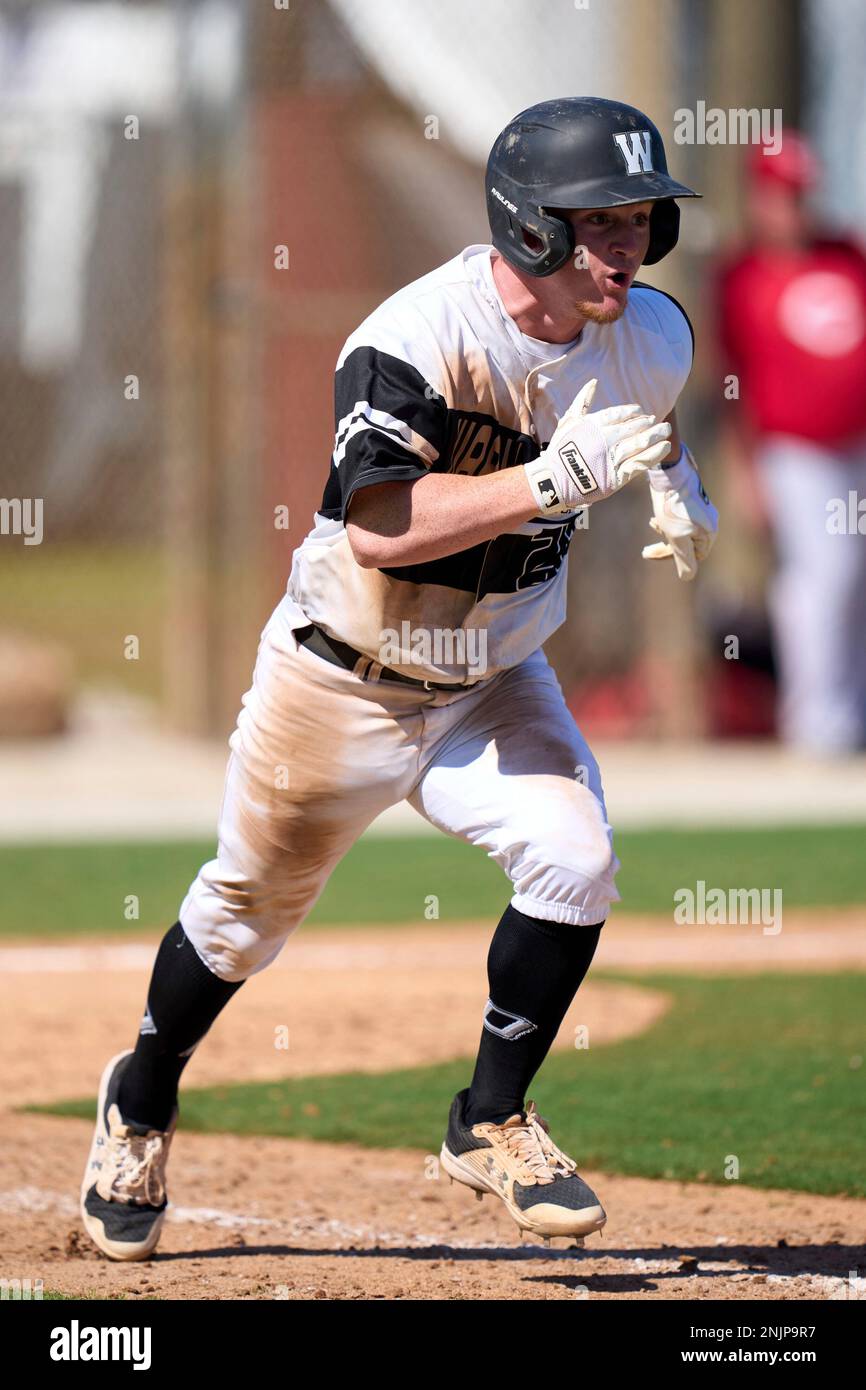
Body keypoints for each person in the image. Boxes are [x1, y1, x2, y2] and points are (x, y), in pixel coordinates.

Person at [80, 96, 717, 1260]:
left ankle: (489, 1117)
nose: (627, 245)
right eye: (600, 222)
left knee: (575, 859)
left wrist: (675, 482)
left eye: (639, 219)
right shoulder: (419, 333)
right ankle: (141, 1095)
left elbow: (649, 419)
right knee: (240, 917)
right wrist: (547, 482)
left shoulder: (653, 333)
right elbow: (377, 525)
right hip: (343, 679)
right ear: (528, 226)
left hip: (492, 677)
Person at [717, 132, 866, 753]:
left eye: (800, 195)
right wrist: (743, 470)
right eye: (781, 195)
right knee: (824, 576)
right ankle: (817, 722)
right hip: (793, 451)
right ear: (758, 197)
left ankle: (850, 716)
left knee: (855, 580)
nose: (793, 209)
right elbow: (731, 384)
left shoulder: (845, 255)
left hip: (856, 443)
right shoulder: (741, 275)